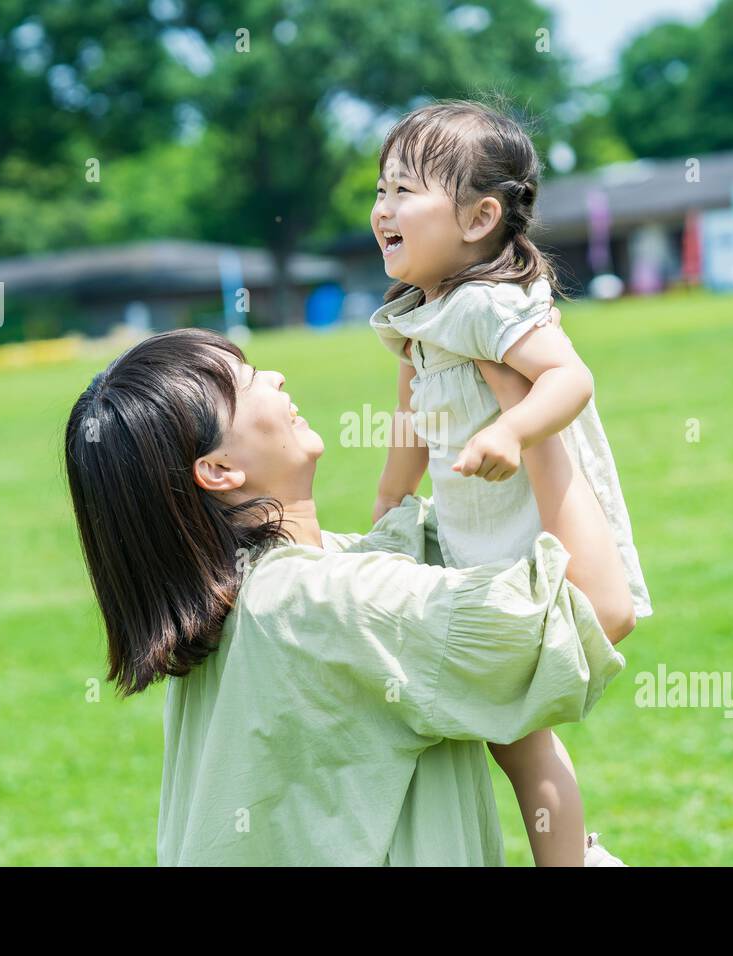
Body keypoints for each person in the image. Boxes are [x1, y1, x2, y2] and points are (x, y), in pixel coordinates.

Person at [62, 327, 637, 865]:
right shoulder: (328, 603)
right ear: (217, 469)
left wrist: (427, 361)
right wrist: (530, 417)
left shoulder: (242, 596)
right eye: (245, 383)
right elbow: (598, 609)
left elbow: (416, 540)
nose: (276, 378)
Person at [369, 98, 653, 866]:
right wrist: (391, 503)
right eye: (381, 190)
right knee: (512, 740)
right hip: (475, 544)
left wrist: (511, 429)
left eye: (405, 190)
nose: (383, 209)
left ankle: (573, 862)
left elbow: (570, 378)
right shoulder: (420, 315)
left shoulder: (486, 305)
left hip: (536, 540)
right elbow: (411, 420)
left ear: (478, 216)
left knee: (521, 743)